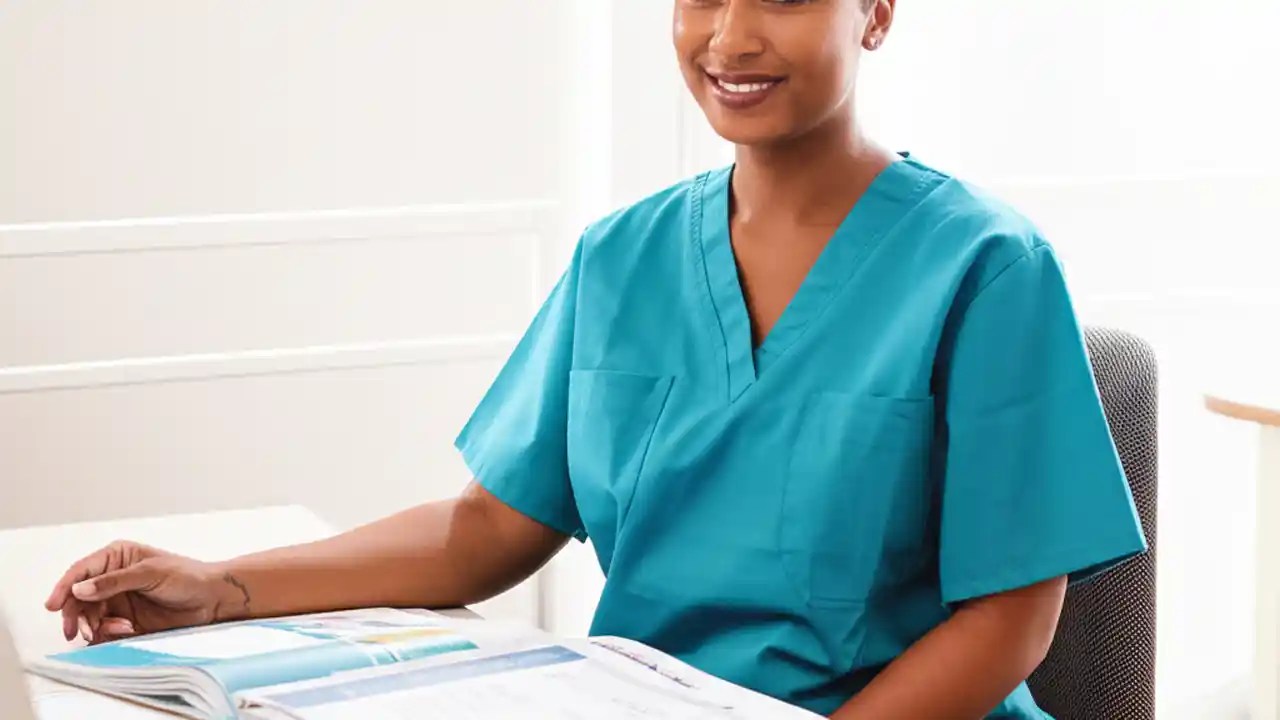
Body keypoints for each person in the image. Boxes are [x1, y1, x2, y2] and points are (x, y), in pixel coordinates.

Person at [44, 1, 1146, 717]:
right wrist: (223, 588)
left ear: (876, 12)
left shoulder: (985, 266)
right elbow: (486, 530)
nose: (728, 40)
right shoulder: (621, 258)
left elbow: (1010, 621)